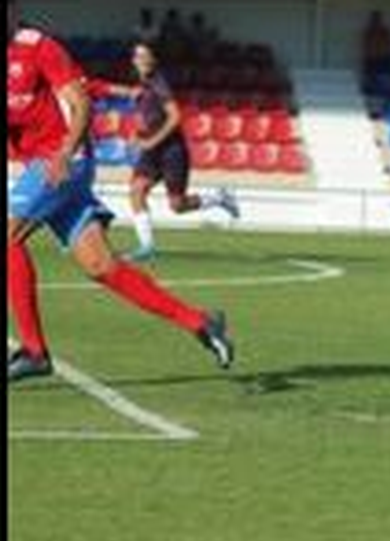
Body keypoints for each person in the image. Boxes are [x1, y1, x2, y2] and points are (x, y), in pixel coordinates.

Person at [8, 3, 234, 382]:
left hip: (63, 159)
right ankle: (201, 322)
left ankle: (33, 350)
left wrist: (65, 152)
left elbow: (81, 103)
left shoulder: (39, 47)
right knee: (101, 265)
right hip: (50, 165)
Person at [96, 41, 239, 261]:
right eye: (138, 56)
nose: (142, 60)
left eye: (146, 56)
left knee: (177, 205)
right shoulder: (143, 85)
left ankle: (219, 198)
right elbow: (147, 114)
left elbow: (174, 116)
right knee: (136, 190)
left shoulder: (159, 83)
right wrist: (139, 134)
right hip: (153, 151)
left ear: (154, 59)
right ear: (134, 61)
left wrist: (151, 141)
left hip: (172, 151)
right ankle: (147, 248)